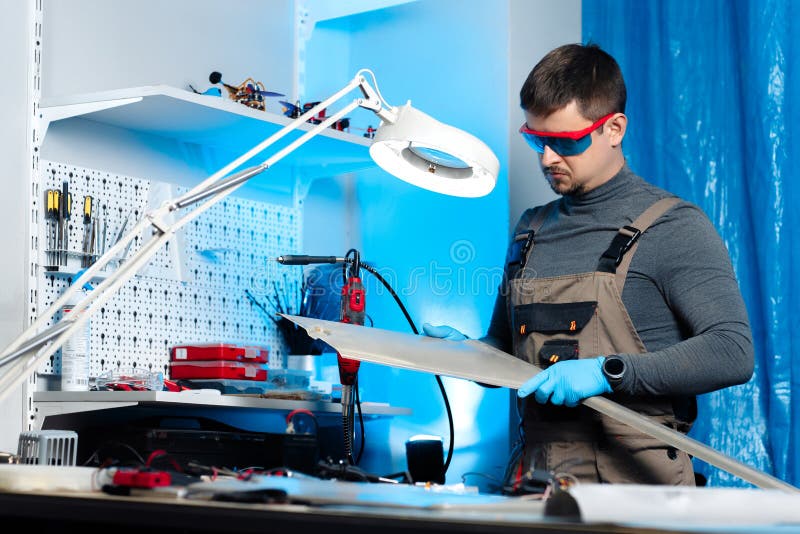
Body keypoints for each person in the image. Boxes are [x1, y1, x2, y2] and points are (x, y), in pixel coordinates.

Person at [423, 43, 754, 487]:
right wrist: (469, 354)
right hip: (535, 485)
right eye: (536, 139)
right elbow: (508, 350)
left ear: (614, 128)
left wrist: (607, 372)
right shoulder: (530, 231)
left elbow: (732, 351)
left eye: (566, 142)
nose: (547, 158)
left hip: (639, 495)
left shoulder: (673, 227)